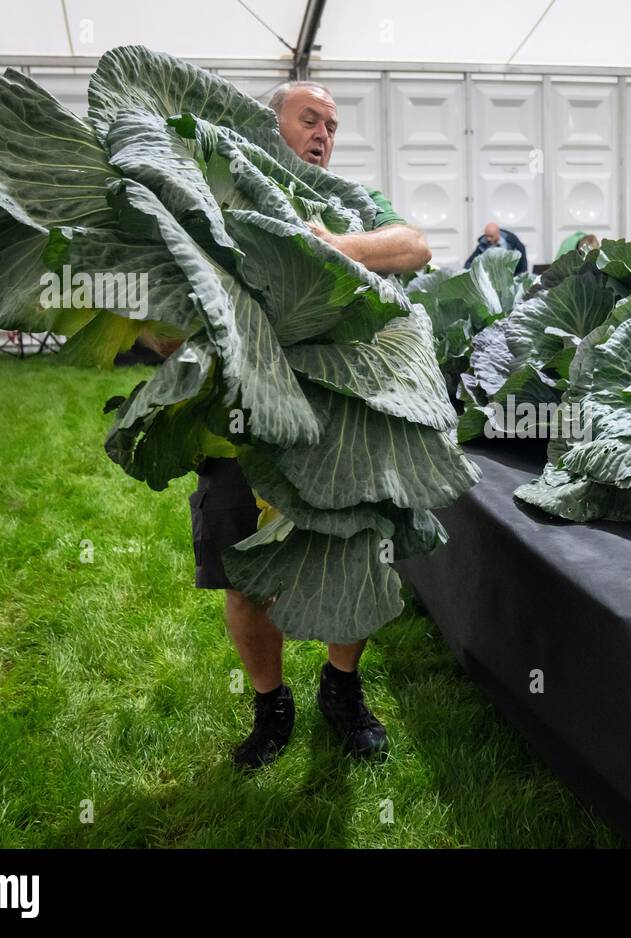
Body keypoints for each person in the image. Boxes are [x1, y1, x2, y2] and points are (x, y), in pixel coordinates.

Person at [146, 81, 430, 770]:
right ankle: (271, 704)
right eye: (310, 120)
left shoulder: (349, 203)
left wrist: (333, 245)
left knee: (358, 553)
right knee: (242, 568)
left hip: (339, 417)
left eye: (332, 125)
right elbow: (161, 313)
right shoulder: (212, 197)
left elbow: (415, 246)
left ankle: (342, 687)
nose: (324, 134)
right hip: (239, 418)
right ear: (266, 127)